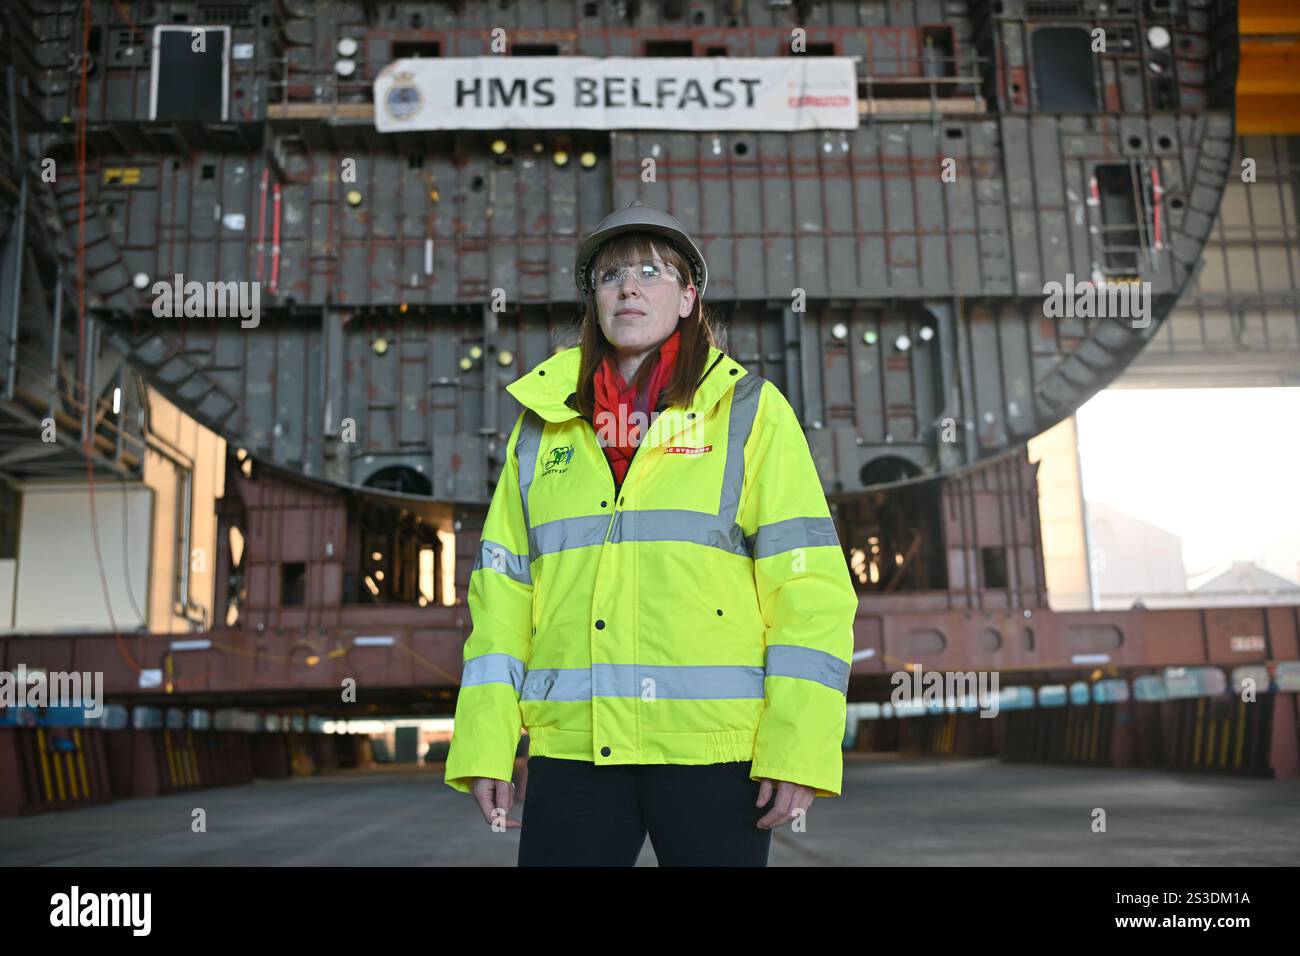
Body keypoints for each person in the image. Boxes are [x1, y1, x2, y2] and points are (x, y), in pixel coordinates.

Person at [443, 199, 859, 866]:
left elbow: (806, 588)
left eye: (650, 272)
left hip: (712, 751)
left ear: (688, 296)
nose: (629, 288)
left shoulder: (749, 412)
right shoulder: (541, 425)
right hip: (573, 750)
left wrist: (799, 746)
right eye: (610, 277)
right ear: (595, 301)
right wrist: (488, 742)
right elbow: (502, 598)